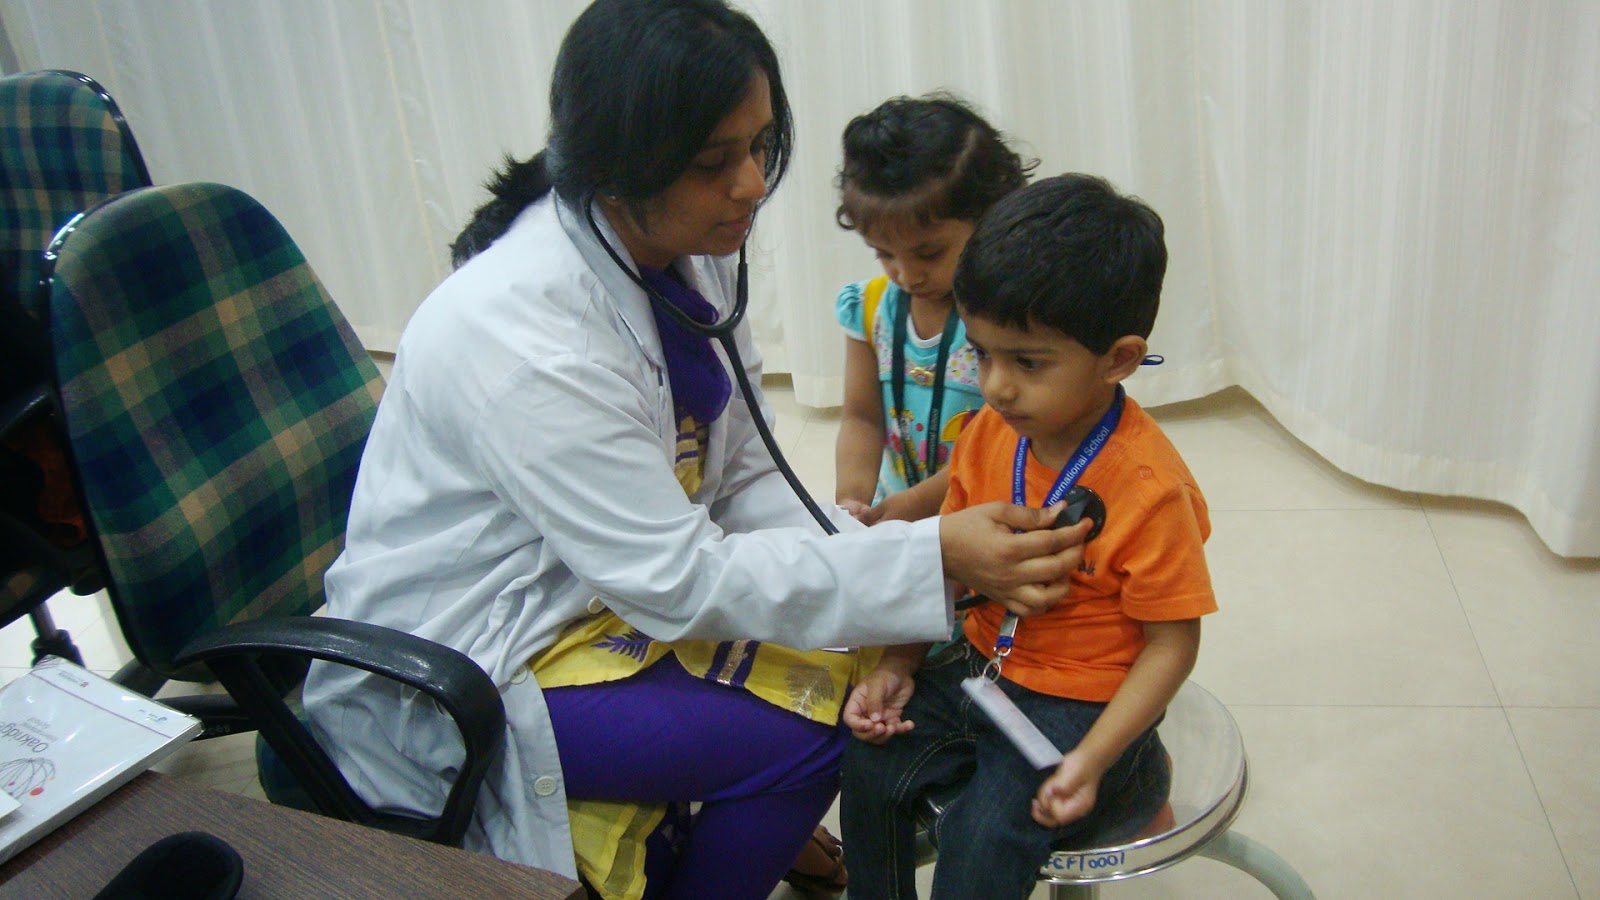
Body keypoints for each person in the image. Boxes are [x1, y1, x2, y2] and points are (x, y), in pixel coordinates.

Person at [300, 3, 1092, 899]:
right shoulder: (526, 341)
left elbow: (745, 471)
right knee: (816, 722)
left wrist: (880, 554)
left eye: (760, 145)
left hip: (594, 582)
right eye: (716, 161)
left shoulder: (683, 247)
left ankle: (734, 833)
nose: (753, 184)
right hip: (470, 660)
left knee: (856, 649)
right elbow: (676, 581)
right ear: (619, 163)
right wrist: (929, 555)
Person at [838, 173, 1218, 899]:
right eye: (982, 353)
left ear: (1119, 359)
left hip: (1083, 702)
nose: (995, 386)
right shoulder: (990, 434)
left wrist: (1095, 758)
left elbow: (1172, 645)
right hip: (983, 664)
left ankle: (1137, 773)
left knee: (981, 837)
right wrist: (897, 664)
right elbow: (950, 566)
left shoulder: (1149, 490)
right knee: (869, 763)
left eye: (1027, 362)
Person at [832, 95, 1032, 525]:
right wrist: (851, 499)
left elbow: (1006, 436)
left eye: (929, 253)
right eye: (884, 253)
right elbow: (861, 418)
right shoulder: (869, 310)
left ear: (989, 218)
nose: (906, 275)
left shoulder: (1010, 316)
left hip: (983, 517)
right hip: (897, 514)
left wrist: (918, 503)